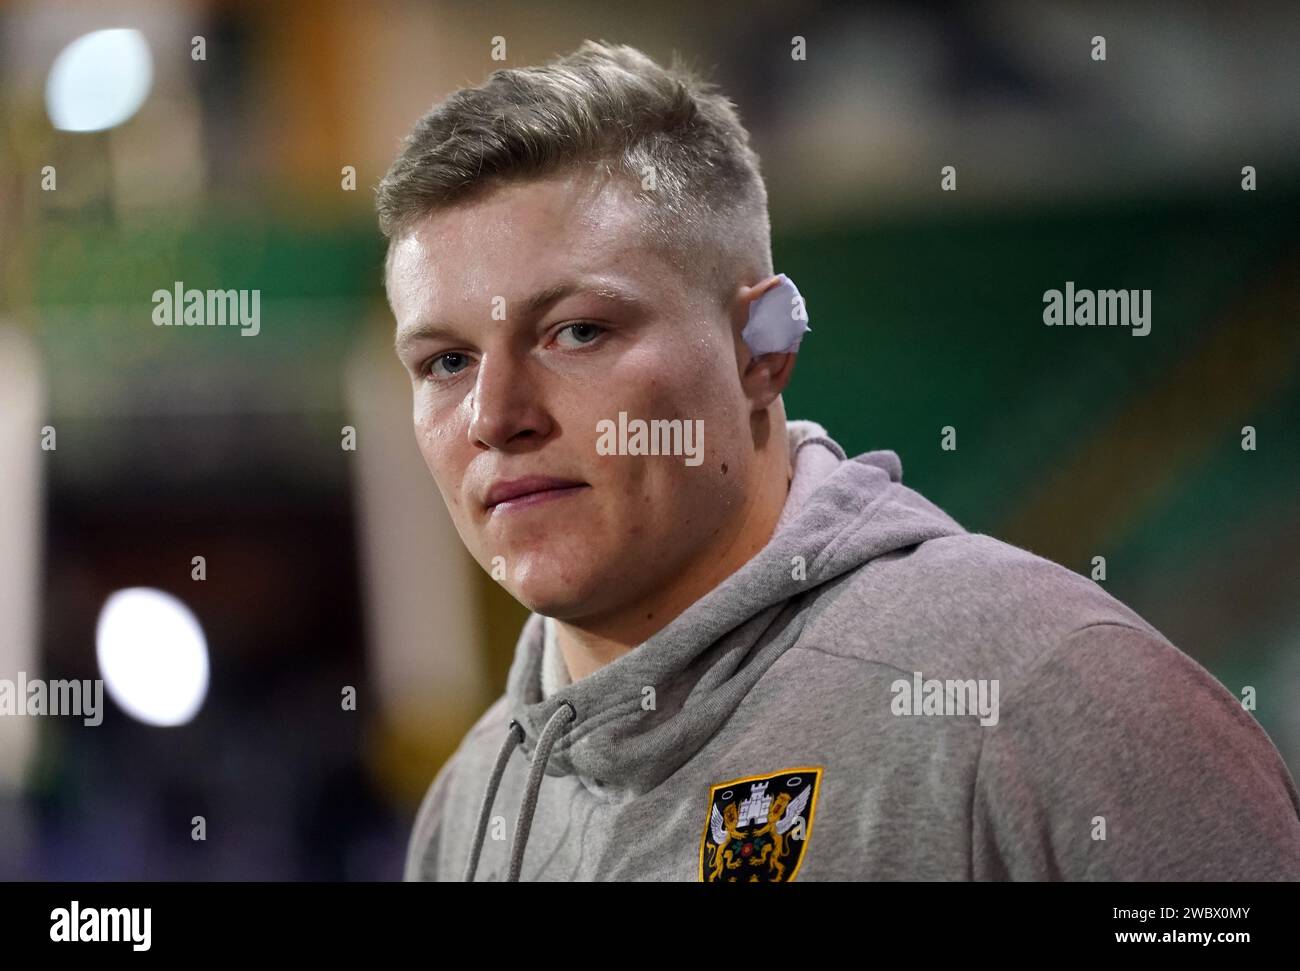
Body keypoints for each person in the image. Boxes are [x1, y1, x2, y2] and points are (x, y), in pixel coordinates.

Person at [376, 40, 1300, 881]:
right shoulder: (472, 803)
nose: (495, 417)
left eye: (577, 331)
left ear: (761, 349)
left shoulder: (1047, 697)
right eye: (445, 363)